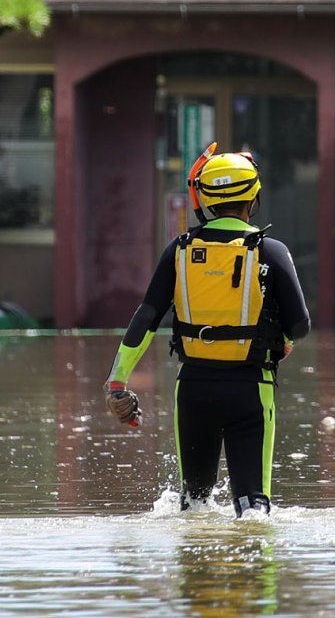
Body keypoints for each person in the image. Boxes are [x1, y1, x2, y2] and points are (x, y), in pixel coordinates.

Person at [103, 143, 311, 516]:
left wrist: (117, 382)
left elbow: (146, 316)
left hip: (194, 390)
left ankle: (194, 573)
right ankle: (259, 573)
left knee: (193, 504)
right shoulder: (271, 251)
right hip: (251, 388)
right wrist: (282, 340)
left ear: (204, 198)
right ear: (254, 195)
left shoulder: (179, 250)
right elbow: (300, 323)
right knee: (253, 509)